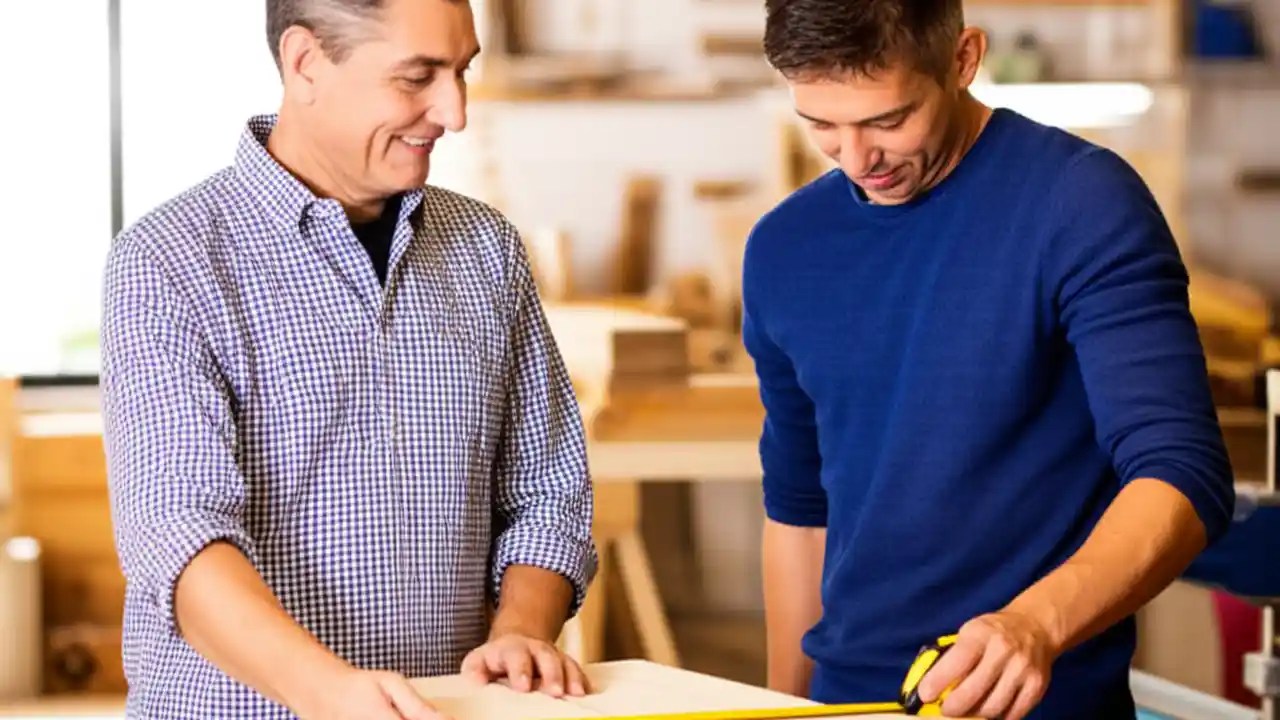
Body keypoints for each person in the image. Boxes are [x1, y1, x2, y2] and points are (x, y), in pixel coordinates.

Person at [99, 1, 597, 718]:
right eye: (416, 77)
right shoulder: (168, 261)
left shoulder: (488, 250)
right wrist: (324, 693)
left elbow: (548, 493)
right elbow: (178, 532)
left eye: (461, 72)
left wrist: (519, 633)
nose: (454, 112)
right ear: (305, 63)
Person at [743, 1, 1235, 718]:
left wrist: (1035, 624)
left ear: (964, 59)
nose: (857, 159)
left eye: (887, 120)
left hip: (1036, 700)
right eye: (821, 124)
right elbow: (799, 508)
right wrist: (782, 709)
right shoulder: (783, 248)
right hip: (852, 702)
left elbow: (1183, 475)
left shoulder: (1081, 203)